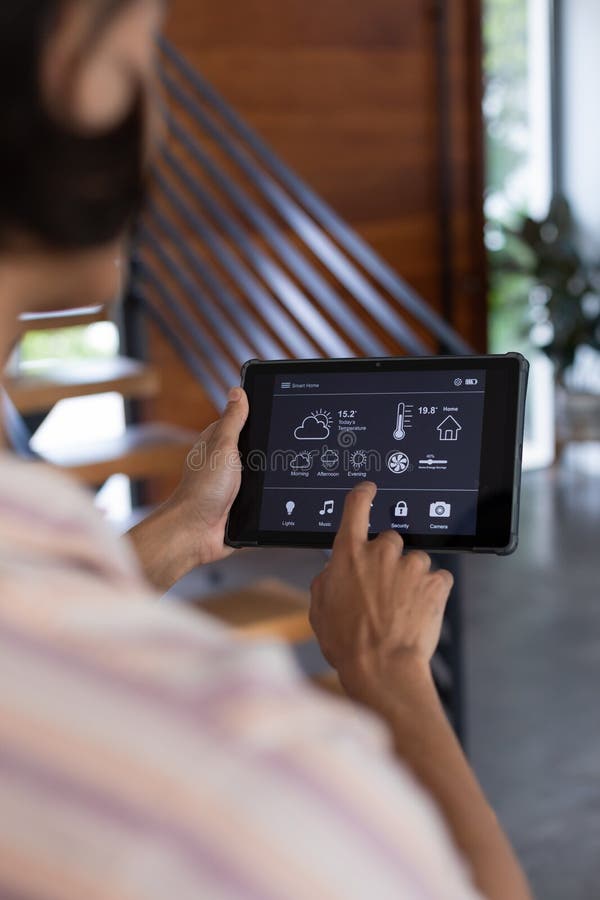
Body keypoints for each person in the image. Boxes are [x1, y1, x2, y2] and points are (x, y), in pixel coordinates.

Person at [0, 2, 532, 898]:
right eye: (145, 45)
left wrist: (180, 534)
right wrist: (390, 671)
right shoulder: (232, 784)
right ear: (77, 77)